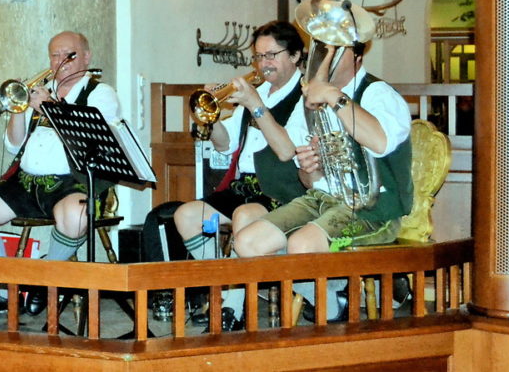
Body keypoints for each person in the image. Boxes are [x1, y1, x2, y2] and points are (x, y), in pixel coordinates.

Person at [233, 29, 412, 322]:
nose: (322, 60)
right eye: (320, 51)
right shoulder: (316, 103)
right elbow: (311, 180)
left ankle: (330, 308)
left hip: (375, 209)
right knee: (247, 243)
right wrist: (310, 166)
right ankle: (334, 296)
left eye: (332, 52)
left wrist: (333, 95)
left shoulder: (378, 94)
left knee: (302, 245)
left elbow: (379, 142)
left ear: (356, 55)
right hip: (324, 198)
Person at [0, 31, 118, 318]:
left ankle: (44, 279)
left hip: (72, 183)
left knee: (78, 216)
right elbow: (13, 144)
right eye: (55, 55)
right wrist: (19, 108)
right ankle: (7, 290)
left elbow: (94, 140)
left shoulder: (100, 94)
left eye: (70, 55)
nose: (61, 62)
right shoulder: (40, 90)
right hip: (26, 182)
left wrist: (50, 108)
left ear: (87, 57)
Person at [169, 20, 310, 330]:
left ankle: (230, 310)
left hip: (284, 190)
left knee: (245, 216)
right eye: (258, 57)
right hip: (245, 188)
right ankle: (219, 289)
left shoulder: (305, 96)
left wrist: (256, 105)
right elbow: (224, 146)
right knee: (187, 216)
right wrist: (213, 119)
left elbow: (287, 151)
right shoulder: (255, 93)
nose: (263, 64)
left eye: (271, 55)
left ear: (297, 55)